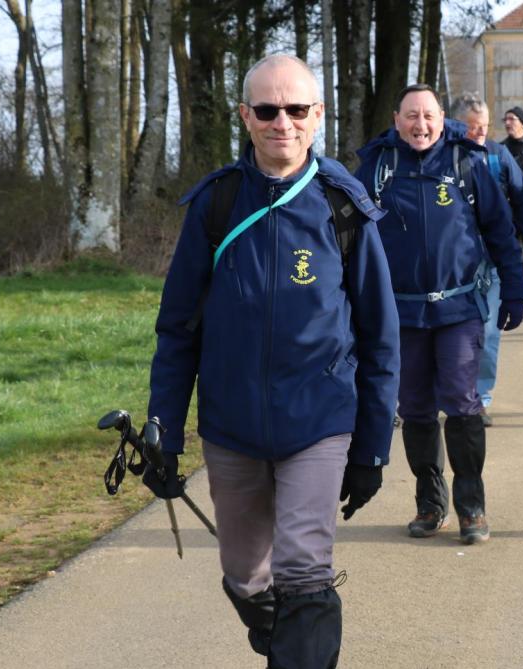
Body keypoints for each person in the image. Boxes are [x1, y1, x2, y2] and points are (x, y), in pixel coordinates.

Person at [145, 55, 400, 668]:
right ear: (246, 117)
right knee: (244, 573)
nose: (281, 122)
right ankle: (282, 638)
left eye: (295, 109)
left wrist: (370, 449)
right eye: (267, 109)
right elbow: (178, 329)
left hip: (319, 420)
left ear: (317, 116)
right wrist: (162, 428)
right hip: (232, 427)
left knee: (304, 570)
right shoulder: (216, 205)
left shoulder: (344, 207)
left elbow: (380, 336)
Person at [355, 84, 523, 545]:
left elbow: (499, 231)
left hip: (459, 308)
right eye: (411, 116)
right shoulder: (377, 168)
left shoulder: (466, 162)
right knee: (413, 408)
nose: (421, 125)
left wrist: (515, 290)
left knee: (462, 400)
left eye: (428, 115)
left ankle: (471, 505)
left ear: (441, 118)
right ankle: (430, 502)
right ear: (397, 120)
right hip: (401, 314)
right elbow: (348, 239)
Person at [452, 93, 523, 427]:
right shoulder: (438, 158)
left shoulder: (498, 155)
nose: (479, 134)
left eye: (484, 127)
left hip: (492, 262)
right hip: (451, 268)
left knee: (489, 334)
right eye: (471, 128)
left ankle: (480, 398)